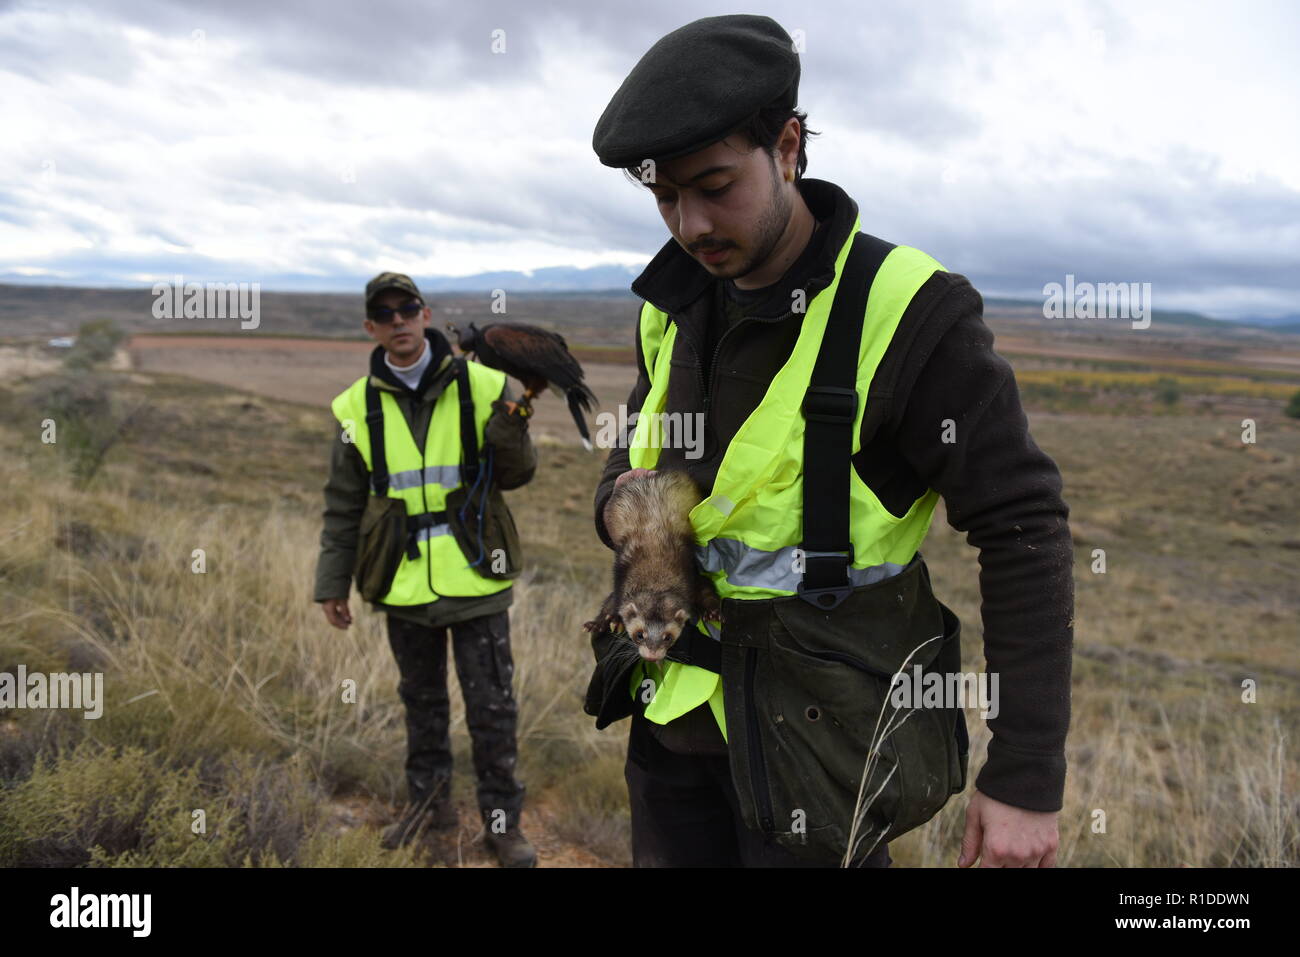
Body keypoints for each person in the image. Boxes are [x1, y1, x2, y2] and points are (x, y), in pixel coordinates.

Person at [588, 15, 1073, 868]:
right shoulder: (669, 304)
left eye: (715, 185)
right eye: (666, 198)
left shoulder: (913, 312)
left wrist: (1026, 771)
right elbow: (635, 459)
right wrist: (623, 506)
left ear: (787, 146)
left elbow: (1022, 526)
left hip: (823, 754)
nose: (691, 225)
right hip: (671, 735)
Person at [314, 271, 539, 868]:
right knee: (422, 706)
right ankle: (429, 810)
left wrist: (513, 419)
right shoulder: (352, 408)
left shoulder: (489, 383)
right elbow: (343, 504)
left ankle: (503, 826)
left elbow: (517, 474)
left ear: (425, 314)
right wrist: (331, 583)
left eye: (406, 309)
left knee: (493, 710)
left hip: (478, 579)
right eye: (384, 314)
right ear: (371, 326)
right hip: (402, 582)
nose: (398, 322)